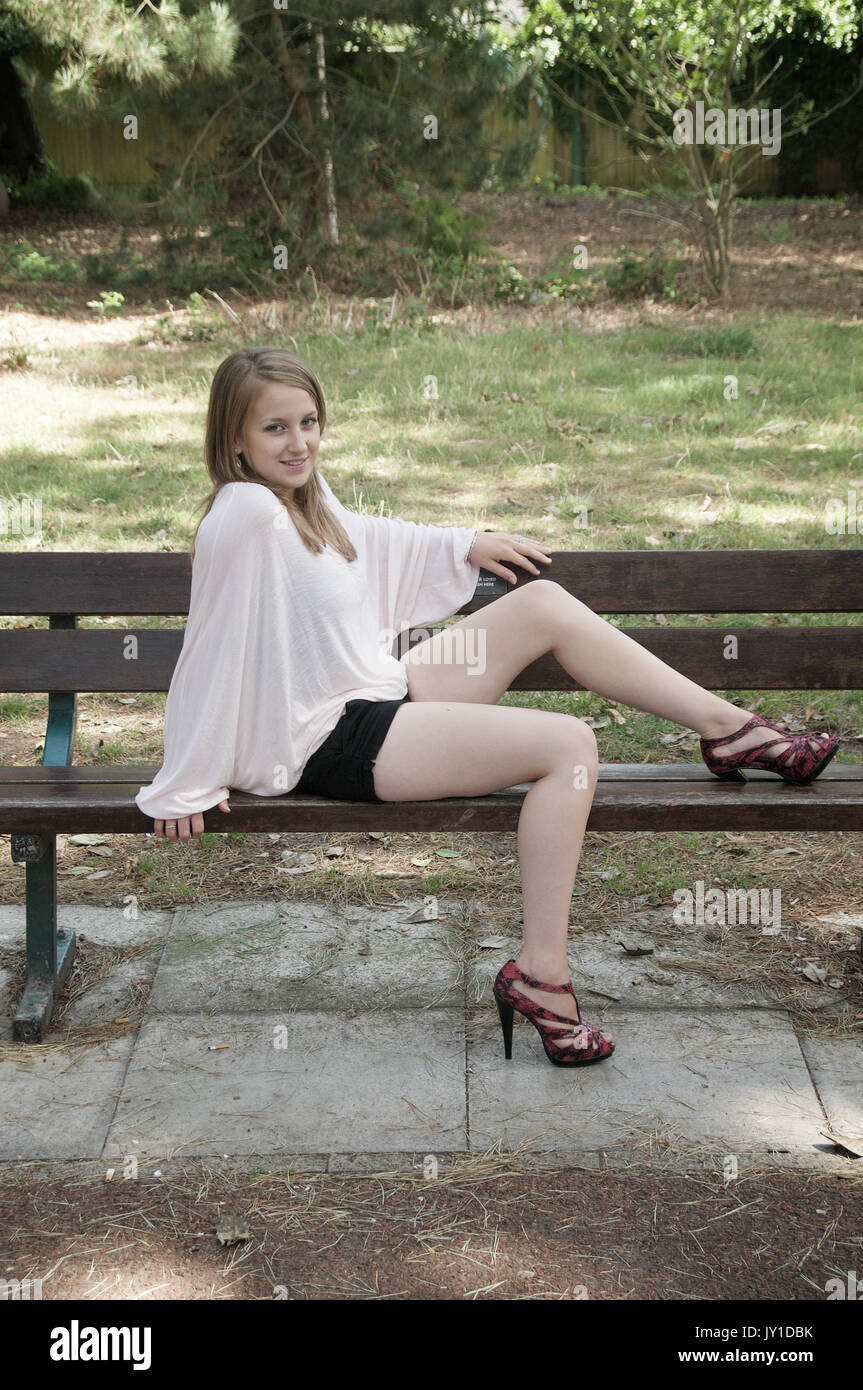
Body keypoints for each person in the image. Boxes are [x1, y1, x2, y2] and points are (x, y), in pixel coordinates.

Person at [137, 346, 840, 1069]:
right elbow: (212, 642)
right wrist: (187, 777)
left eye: (309, 421)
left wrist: (463, 543)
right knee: (569, 745)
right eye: (275, 429)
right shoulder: (246, 510)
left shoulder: (303, 499)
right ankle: (542, 976)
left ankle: (731, 733)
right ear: (234, 440)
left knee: (539, 603)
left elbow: (375, 538)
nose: (300, 442)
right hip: (332, 739)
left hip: (377, 692)